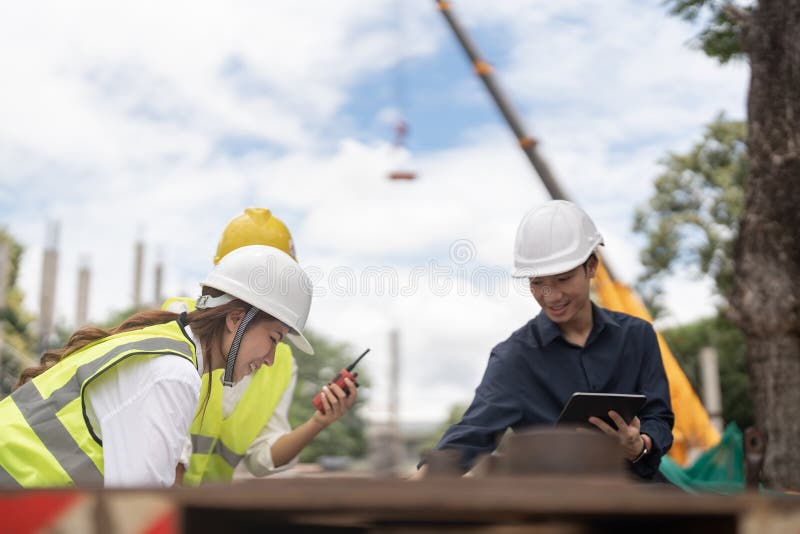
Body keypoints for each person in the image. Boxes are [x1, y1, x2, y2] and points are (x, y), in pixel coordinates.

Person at [0, 245, 334, 488]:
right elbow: (139, 514)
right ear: (236, 319)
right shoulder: (172, 374)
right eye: (274, 338)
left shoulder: (164, 345)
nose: (271, 359)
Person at [416, 200, 674, 480]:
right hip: (559, 505)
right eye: (537, 283)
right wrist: (417, 485)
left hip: (639, 493)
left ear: (591, 267)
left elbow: (658, 418)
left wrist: (640, 445)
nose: (550, 296)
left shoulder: (637, 336)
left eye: (562, 279)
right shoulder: (515, 358)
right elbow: (471, 435)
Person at [171, 208, 358, 485]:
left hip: (202, 509)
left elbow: (261, 459)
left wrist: (319, 422)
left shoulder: (280, 361)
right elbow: (168, 445)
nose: (269, 357)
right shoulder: (181, 325)